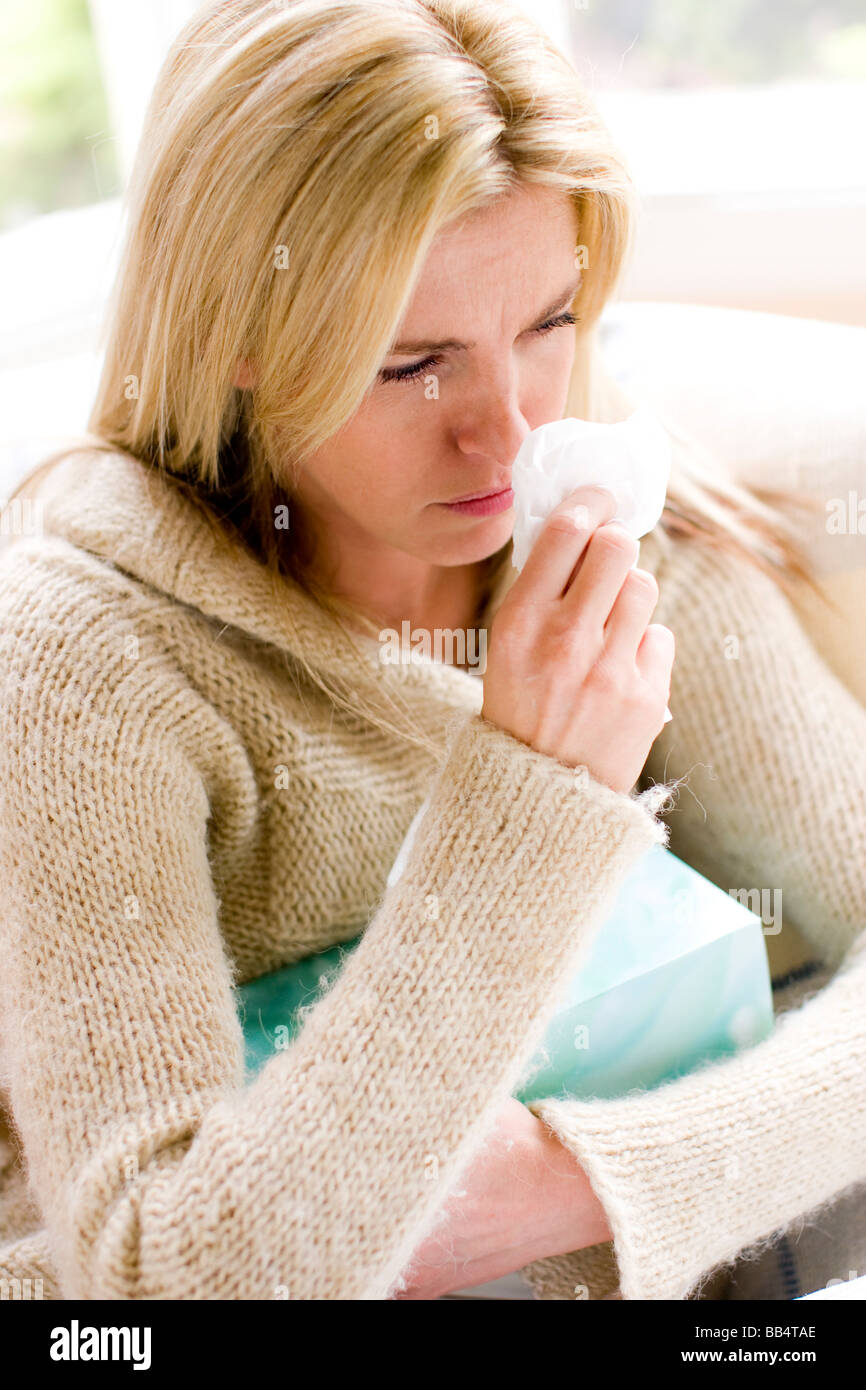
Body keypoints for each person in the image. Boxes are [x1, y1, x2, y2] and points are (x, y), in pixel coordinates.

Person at [1, 0, 864, 1302]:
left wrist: (584, 1181)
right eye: (413, 365)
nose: (509, 438)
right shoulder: (78, 664)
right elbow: (158, 1283)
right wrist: (524, 795)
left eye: (548, 321)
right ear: (234, 336)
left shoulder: (603, 500)